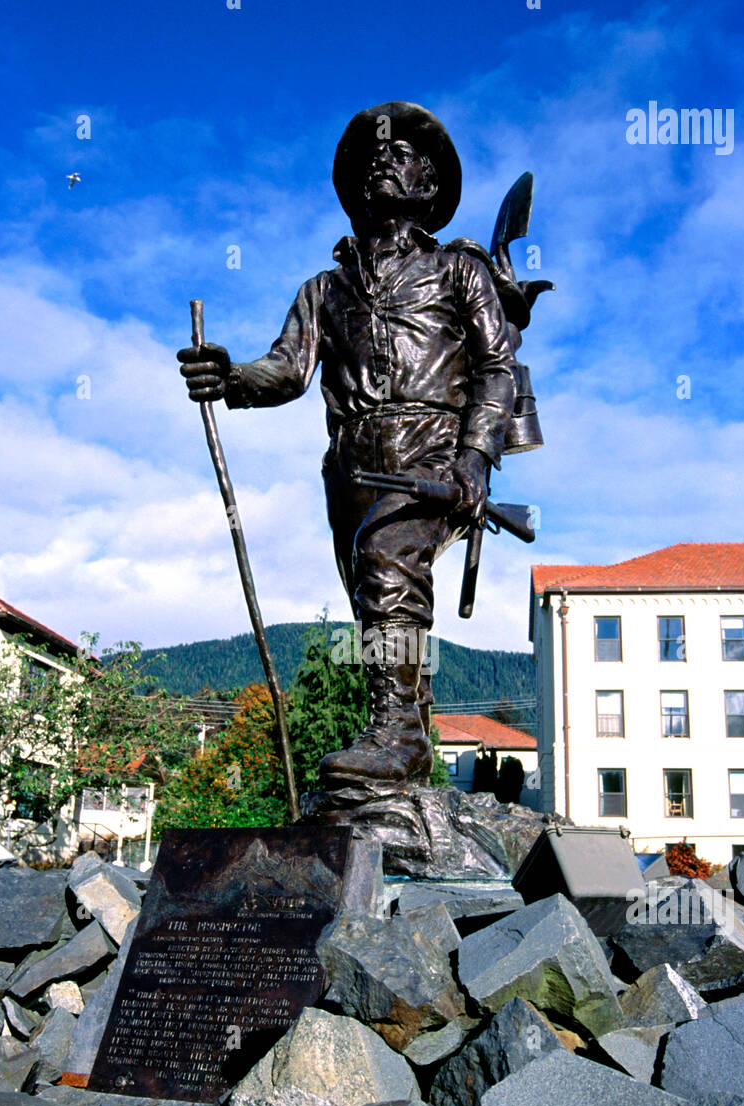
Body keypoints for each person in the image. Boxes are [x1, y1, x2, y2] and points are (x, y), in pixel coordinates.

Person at [179, 101, 516, 788]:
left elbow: (496, 369)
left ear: (429, 187)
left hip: (434, 455)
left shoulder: (459, 272)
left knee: (386, 560)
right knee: (378, 603)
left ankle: (394, 734)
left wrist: (476, 459)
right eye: (374, 159)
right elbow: (286, 370)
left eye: (404, 156)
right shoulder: (325, 289)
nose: (385, 161)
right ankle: (408, 751)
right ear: (354, 191)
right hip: (353, 467)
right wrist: (232, 375)